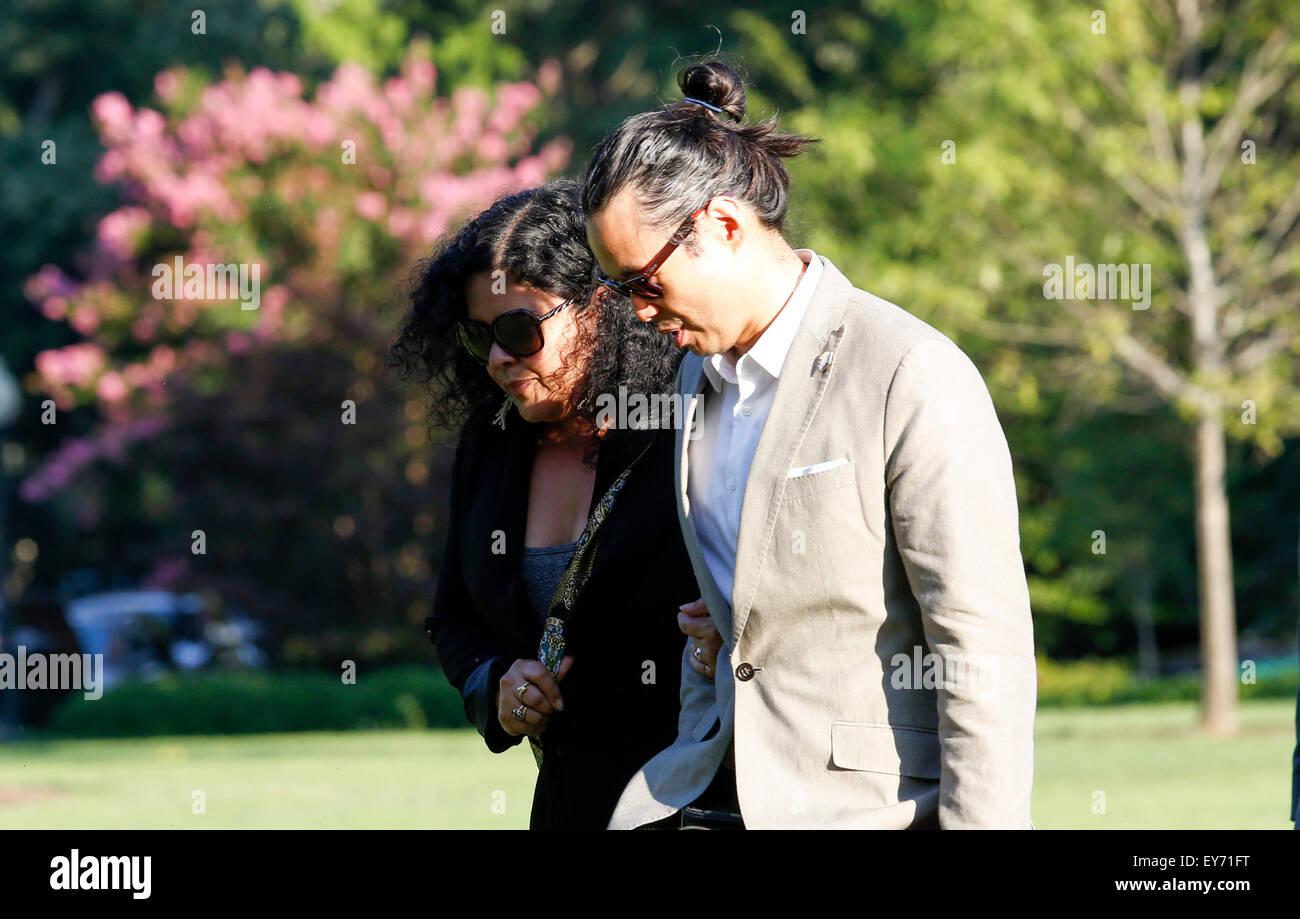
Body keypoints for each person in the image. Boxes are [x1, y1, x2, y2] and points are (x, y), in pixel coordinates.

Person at [581, 59, 1038, 829]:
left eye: (644, 283)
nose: (636, 313)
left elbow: (980, 649)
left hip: (874, 809)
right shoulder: (694, 381)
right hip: (706, 793)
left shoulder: (909, 370)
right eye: (619, 291)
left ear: (723, 226)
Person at [391, 178, 722, 829]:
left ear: (598, 308)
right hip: (570, 805)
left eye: (517, 329)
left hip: (700, 803)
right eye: (477, 335)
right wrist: (496, 688)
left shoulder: (687, 422)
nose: (495, 359)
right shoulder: (490, 442)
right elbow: (453, 619)